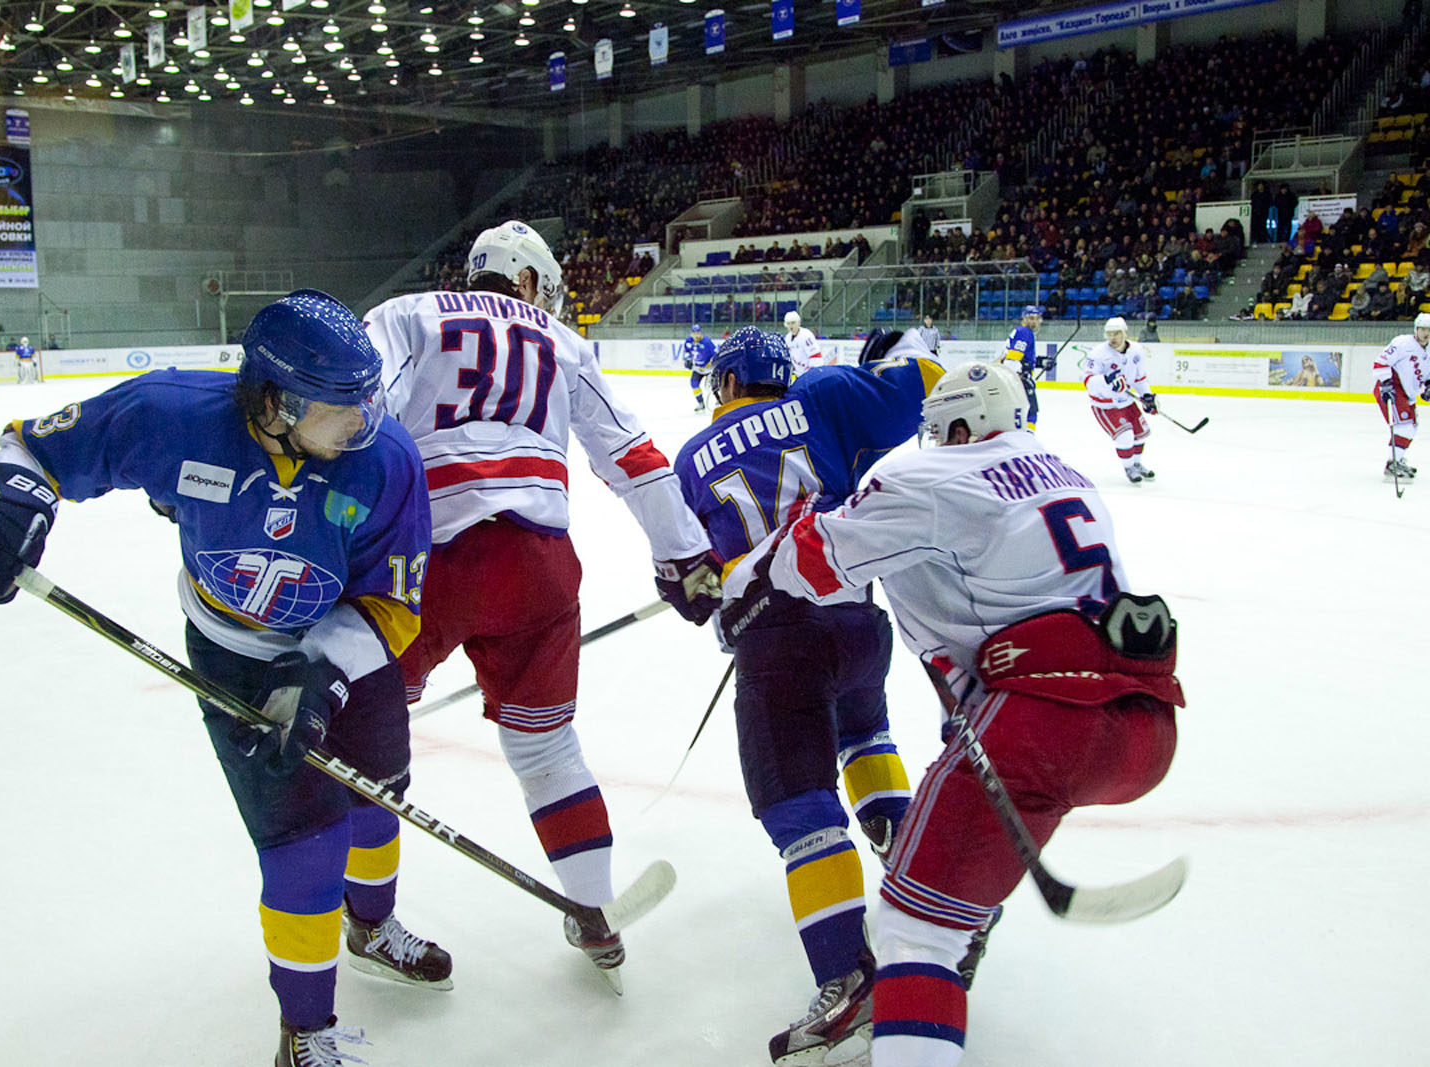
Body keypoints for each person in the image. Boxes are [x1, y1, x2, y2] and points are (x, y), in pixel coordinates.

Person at [0, 289, 450, 1067]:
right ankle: (306, 1029)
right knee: (304, 837)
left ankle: (372, 926)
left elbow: (393, 597)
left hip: (351, 643)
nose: (364, 419)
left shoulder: (385, 461)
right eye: (342, 406)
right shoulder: (171, 413)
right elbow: (33, 450)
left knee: (378, 795)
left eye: (365, 398)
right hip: (233, 655)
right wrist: (12, 494)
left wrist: (327, 670)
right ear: (278, 402)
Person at [753, 360, 1182, 1067]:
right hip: (1144, 722)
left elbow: (809, 566)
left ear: (955, 426)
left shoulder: (929, 478)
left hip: (1044, 722)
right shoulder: (1064, 469)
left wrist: (788, 536)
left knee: (911, 928)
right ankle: (963, 907)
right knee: (952, 854)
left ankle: (931, 953)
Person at [361, 220, 717, 992]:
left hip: (423, 559)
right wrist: (683, 555)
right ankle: (594, 911)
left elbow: (362, 422)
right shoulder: (563, 339)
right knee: (549, 748)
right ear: (525, 279)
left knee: (367, 743)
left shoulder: (408, 314)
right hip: (539, 571)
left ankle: (364, 914)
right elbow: (632, 455)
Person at [672, 326, 943, 1066]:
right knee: (865, 738)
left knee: (797, 803)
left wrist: (698, 585)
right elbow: (927, 380)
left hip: (778, 644)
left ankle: (848, 980)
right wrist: (878, 367)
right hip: (859, 623)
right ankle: (931, 892)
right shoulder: (821, 395)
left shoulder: (691, 460)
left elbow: (688, 591)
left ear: (726, 384)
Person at [1082, 317, 1158, 483]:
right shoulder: (1098, 354)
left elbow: (1139, 377)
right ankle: (1129, 467)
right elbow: (1088, 381)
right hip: (1105, 404)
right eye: (1109, 334)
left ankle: (1137, 464)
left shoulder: (1136, 350)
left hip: (1127, 401)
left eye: (1117, 333)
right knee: (1125, 436)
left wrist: (1147, 396)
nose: (1113, 337)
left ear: (1125, 333)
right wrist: (1106, 381)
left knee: (1141, 434)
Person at [1374, 312, 1430, 481]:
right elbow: (1381, 362)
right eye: (1422, 329)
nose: (1425, 333)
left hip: (1408, 393)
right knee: (1404, 426)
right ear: (1416, 329)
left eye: (1429, 330)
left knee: (1411, 427)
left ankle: (1397, 459)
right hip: (1392, 388)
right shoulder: (1402, 343)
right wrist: (1385, 383)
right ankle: (1393, 464)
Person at [997, 304, 1047, 430]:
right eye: (1030, 318)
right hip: (1019, 377)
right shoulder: (1025, 332)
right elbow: (1013, 358)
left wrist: (1041, 362)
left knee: (1020, 411)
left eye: (1036, 318)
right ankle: (1028, 438)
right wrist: (1019, 377)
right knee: (1030, 412)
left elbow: (1022, 357)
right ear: (1023, 319)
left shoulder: (1020, 331)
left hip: (1014, 375)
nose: (1034, 321)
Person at [680, 322, 717, 412]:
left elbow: (715, 354)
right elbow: (686, 352)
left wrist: (711, 364)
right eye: (694, 333)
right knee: (694, 384)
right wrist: (687, 360)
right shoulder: (688, 341)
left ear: (701, 333)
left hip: (709, 369)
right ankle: (701, 403)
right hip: (698, 368)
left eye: (698, 333)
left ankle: (719, 400)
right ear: (691, 334)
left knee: (715, 386)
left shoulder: (707, 342)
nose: (696, 335)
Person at [783, 310, 824, 379]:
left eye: (793, 323)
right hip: (798, 374)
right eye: (788, 323)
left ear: (798, 323)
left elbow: (815, 356)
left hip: (810, 373)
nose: (791, 326)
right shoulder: (787, 338)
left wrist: (813, 374)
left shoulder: (806, 335)